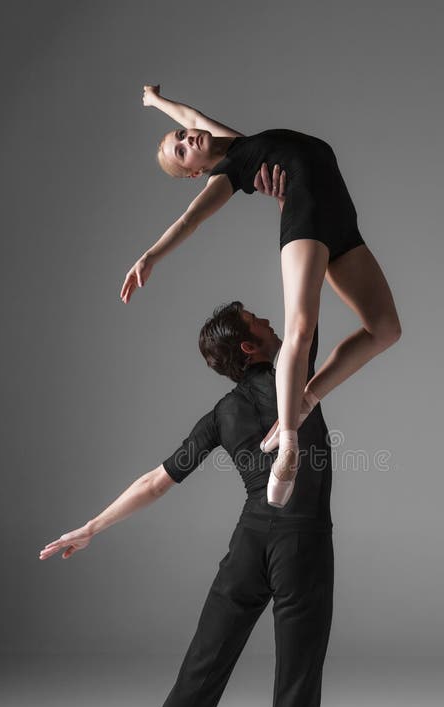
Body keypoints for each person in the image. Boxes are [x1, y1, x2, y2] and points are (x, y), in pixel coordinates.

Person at [39, 304, 334, 707]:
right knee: (295, 690)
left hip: (250, 545)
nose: (270, 320)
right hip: (301, 544)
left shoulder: (223, 413)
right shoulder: (292, 373)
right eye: (257, 320)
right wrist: (300, 215)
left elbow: (157, 480)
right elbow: (307, 301)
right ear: (250, 347)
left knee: (198, 676)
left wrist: (92, 528)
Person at [119, 85, 402, 508]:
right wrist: (150, 255)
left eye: (180, 136)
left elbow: (191, 116)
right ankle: (288, 449)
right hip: (305, 220)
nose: (185, 139)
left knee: (385, 329)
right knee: (301, 328)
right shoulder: (230, 169)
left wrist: (156, 102)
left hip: (341, 222)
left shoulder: (239, 144)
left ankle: (304, 399)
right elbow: (188, 221)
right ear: (196, 173)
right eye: (179, 151)